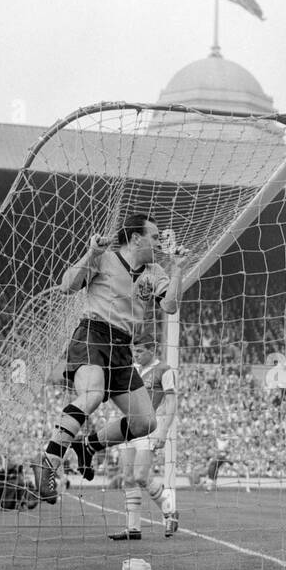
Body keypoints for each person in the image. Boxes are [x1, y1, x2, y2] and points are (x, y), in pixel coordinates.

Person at [37, 213, 185, 504]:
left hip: (122, 347)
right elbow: (67, 286)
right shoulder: (104, 259)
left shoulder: (155, 271)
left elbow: (169, 306)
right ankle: (49, 461)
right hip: (93, 334)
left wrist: (178, 269)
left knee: (146, 423)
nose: (158, 242)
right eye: (154, 237)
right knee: (91, 395)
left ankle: (88, 447)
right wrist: (91, 253)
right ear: (136, 238)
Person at [106, 343, 180, 540]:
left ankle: (169, 510)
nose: (135, 354)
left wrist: (164, 430)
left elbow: (172, 401)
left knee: (140, 475)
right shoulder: (133, 369)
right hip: (128, 427)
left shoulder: (163, 370)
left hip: (148, 427)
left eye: (140, 351)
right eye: (134, 351)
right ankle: (133, 529)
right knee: (128, 477)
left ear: (152, 350)